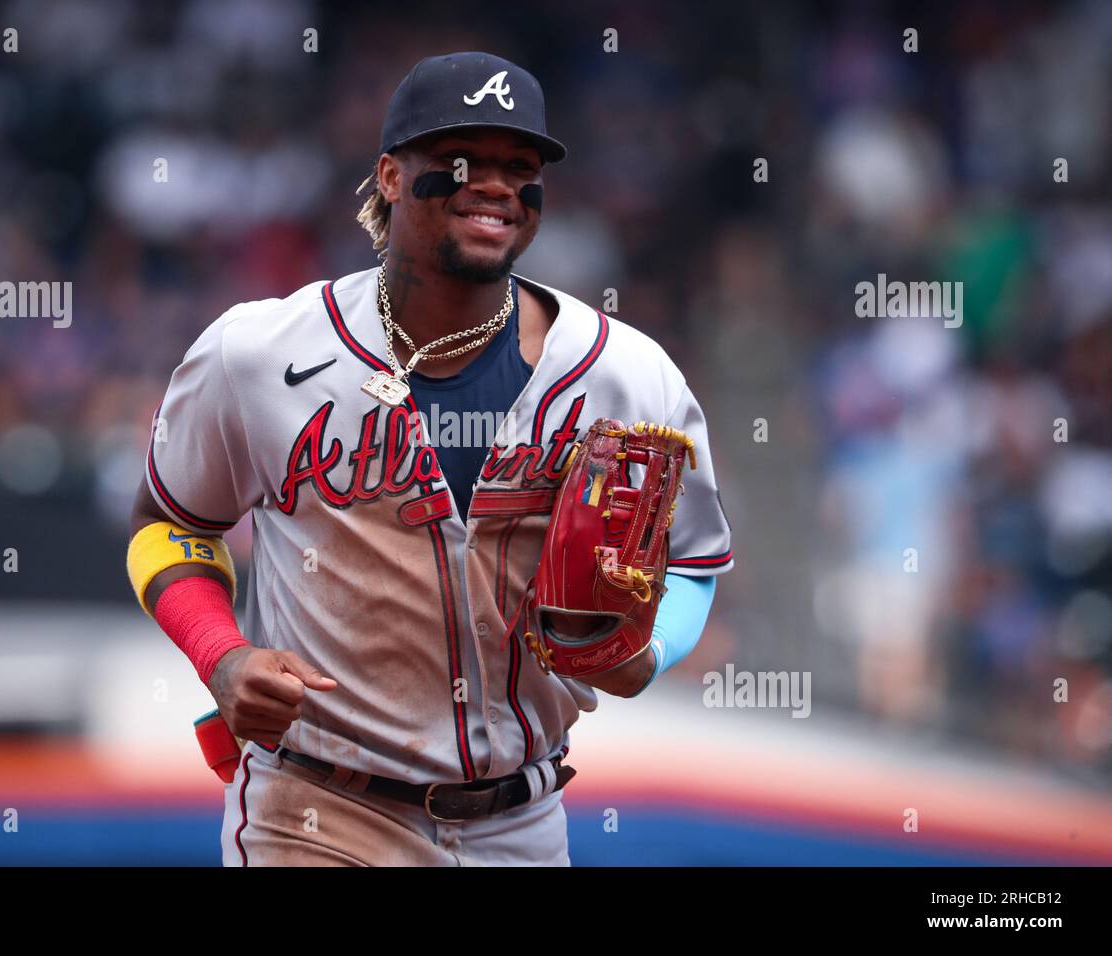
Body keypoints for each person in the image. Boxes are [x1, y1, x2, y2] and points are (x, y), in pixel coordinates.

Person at [126, 51, 733, 866]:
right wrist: (220, 654)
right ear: (388, 175)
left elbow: (694, 562)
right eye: (459, 162)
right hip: (320, 809)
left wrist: (649, 649)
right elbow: (168, 524)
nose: (495, 185)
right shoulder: (259, 354)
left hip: (524, 823)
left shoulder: (628, 374)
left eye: (520, 168)